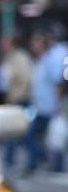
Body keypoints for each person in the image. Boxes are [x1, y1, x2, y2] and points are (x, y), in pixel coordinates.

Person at [28, 26, 68, 174]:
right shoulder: (42, 60)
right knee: (47, 136)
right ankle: (44, 162)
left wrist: (59, 104)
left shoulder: (53, 58)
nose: (33, 45)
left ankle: (49, 163)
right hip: (41, 106)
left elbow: (58, 82)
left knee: (50, 135)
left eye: (36, 42)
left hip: (51, 106)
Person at [0, 35, 34, 171]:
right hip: (12, 99)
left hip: (19, 100)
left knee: (23, 132)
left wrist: (18, 96)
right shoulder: (9, 57)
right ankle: (9, 160)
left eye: (5, 42)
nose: (2, 45)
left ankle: (35, 158)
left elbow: (25, 79)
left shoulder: (20, 57)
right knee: (11, 132)